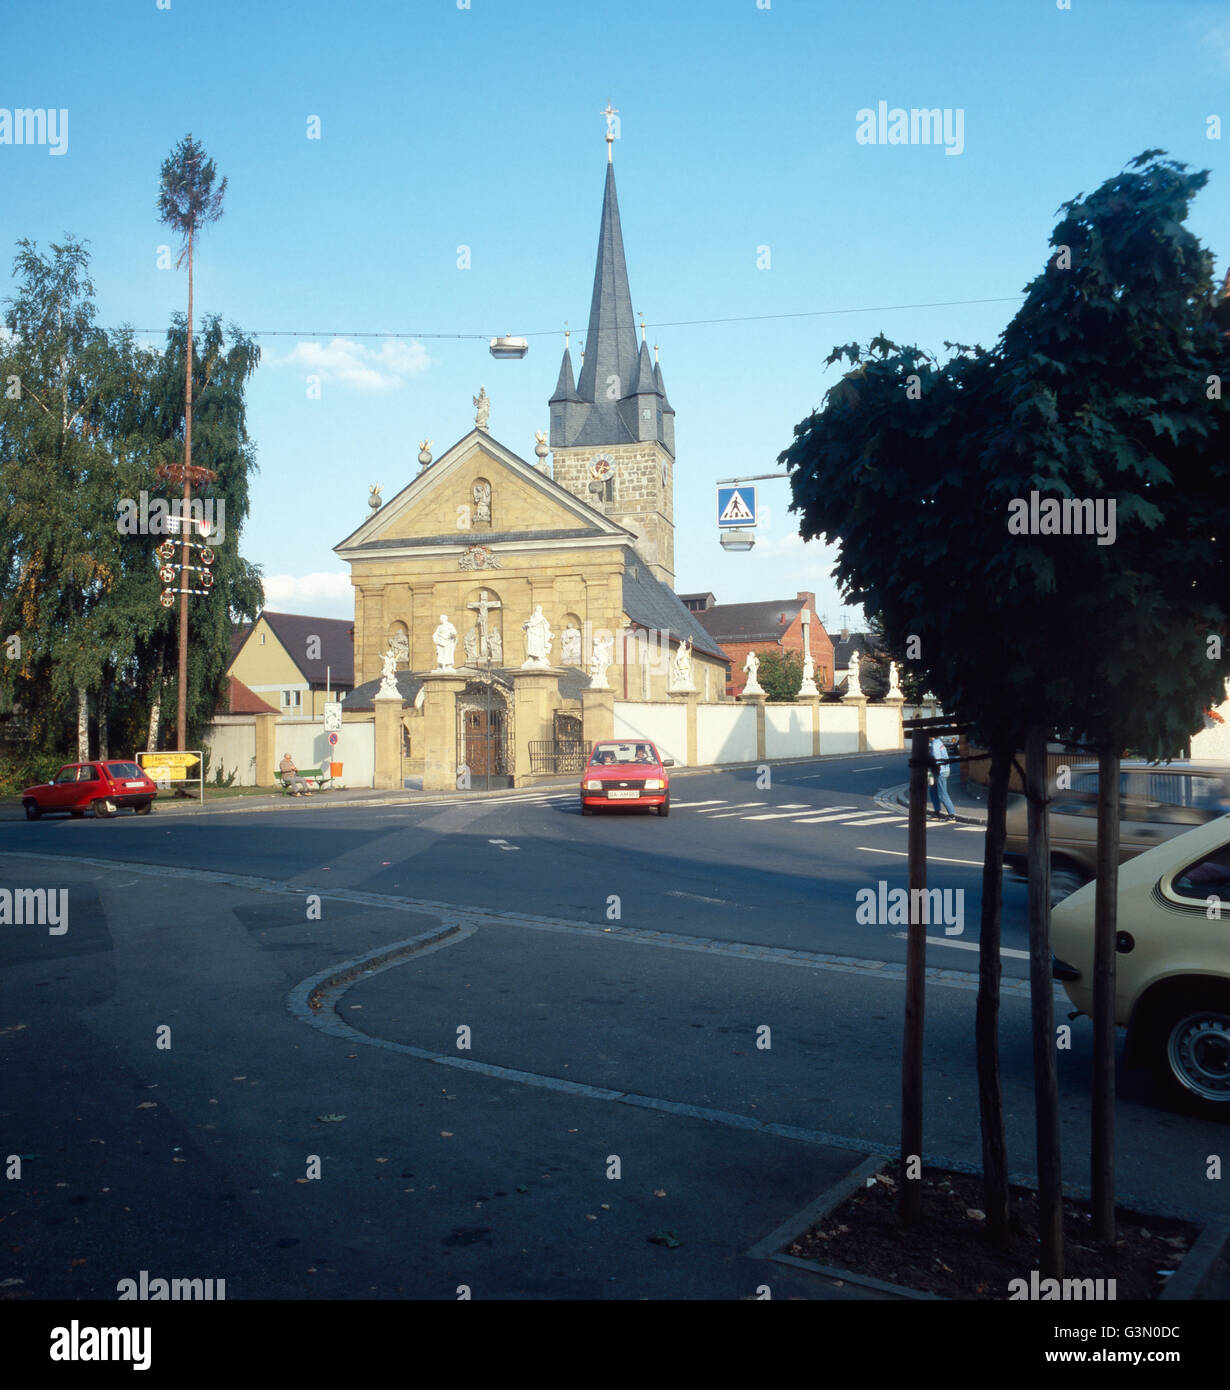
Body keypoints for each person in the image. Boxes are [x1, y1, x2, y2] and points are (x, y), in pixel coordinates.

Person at [929, 735, 955, 820]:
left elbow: (936, 760)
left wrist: (932, 772)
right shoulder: (938, 742)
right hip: (939, 771)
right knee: (933, 790)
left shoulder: (935, 745)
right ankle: (937, 813)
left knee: (942, 794)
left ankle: (952, 815)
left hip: (940, 772)